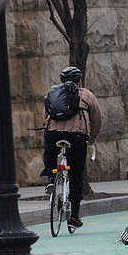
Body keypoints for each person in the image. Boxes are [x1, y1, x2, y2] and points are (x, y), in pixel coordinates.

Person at [41, 66, 102, 229]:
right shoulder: (87, 95)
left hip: (52, 134)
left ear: (62, 80)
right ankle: (74, 217)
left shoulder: (52, 92)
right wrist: (91, 139)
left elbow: (45, 116)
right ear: (79, 81)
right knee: (76, 175)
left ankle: (52, 178)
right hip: (76, 137)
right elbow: (97, 119)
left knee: (49, 151)